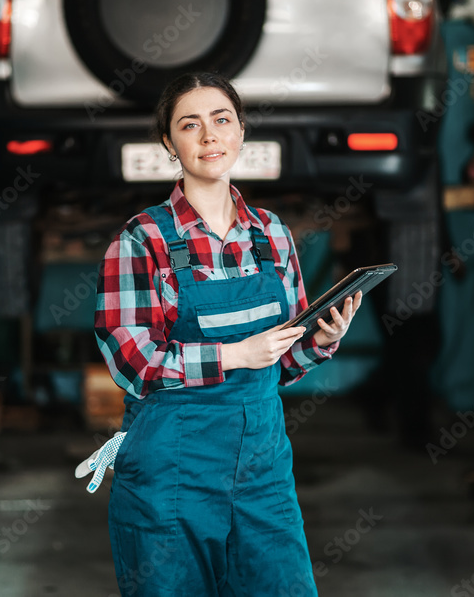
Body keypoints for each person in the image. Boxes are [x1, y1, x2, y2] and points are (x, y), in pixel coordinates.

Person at [83, 72, 362, 597]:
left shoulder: (272, 233)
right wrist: (235, 353)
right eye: (190, 125)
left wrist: (320, 341)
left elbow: (281, 359)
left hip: (262, 474)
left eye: (222, 120)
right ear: (169, 142)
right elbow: (133, 364)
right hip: (174, 476)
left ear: (240, 132)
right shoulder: (142, 240)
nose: (209, 136)